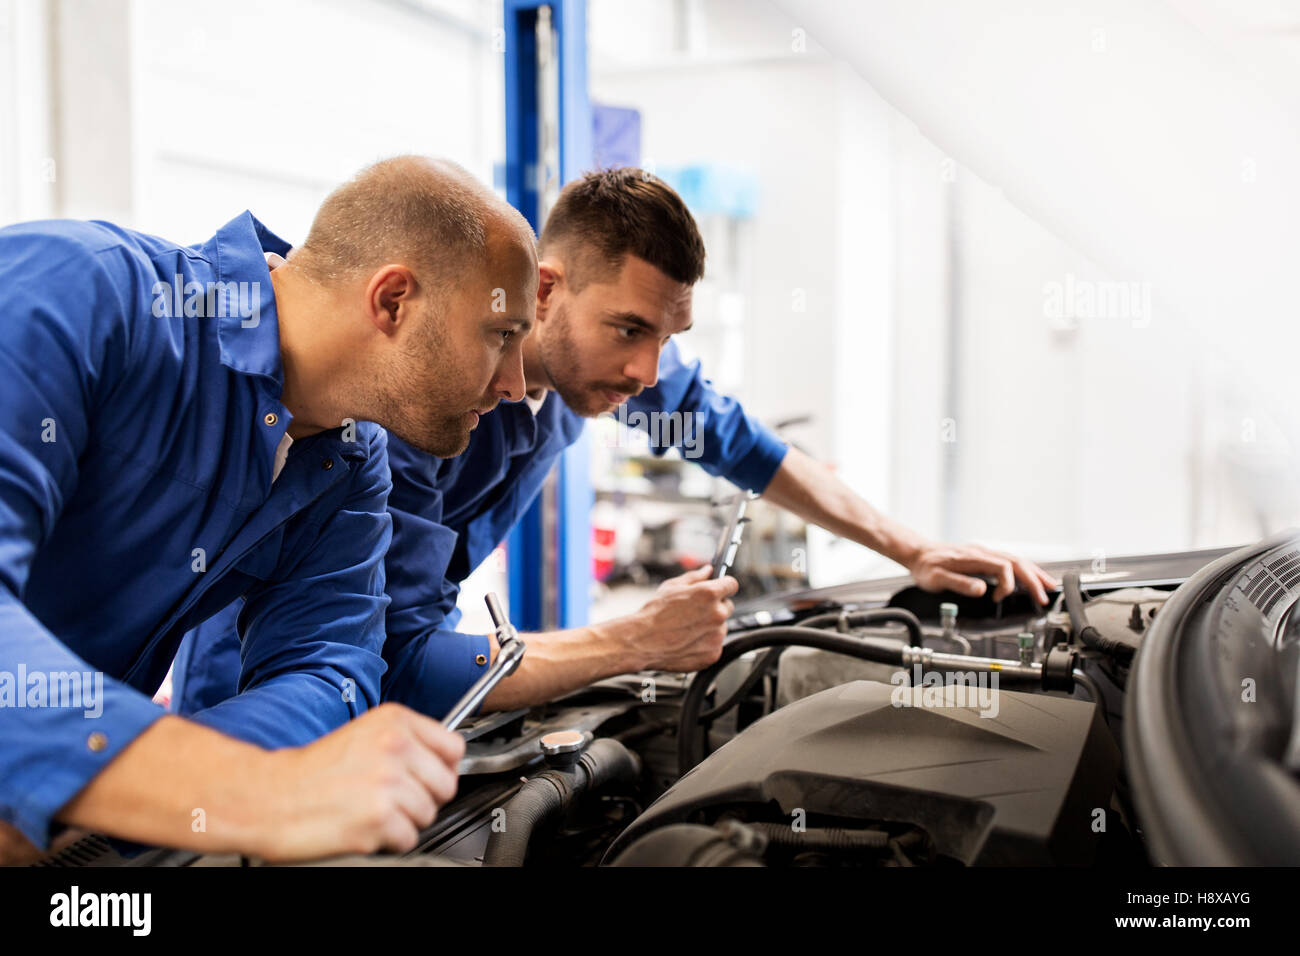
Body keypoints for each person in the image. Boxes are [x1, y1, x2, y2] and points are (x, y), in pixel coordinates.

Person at [174, 167, 1060, 723]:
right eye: (630, 329)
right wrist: (633, 640)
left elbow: (746, 449)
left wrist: (910, 547)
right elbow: (400, 667)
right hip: (265, 709)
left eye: (666, 339)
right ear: (546, 291)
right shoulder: (409, 414)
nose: (647, 371)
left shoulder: (596, 373)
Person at [0, 155, 536, 863]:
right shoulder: (76, 292)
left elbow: (330, 671)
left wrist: (125, 793)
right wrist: (235, 786)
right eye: (502, 335)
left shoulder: (347, 460)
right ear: (394, 301)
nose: (516, 384)